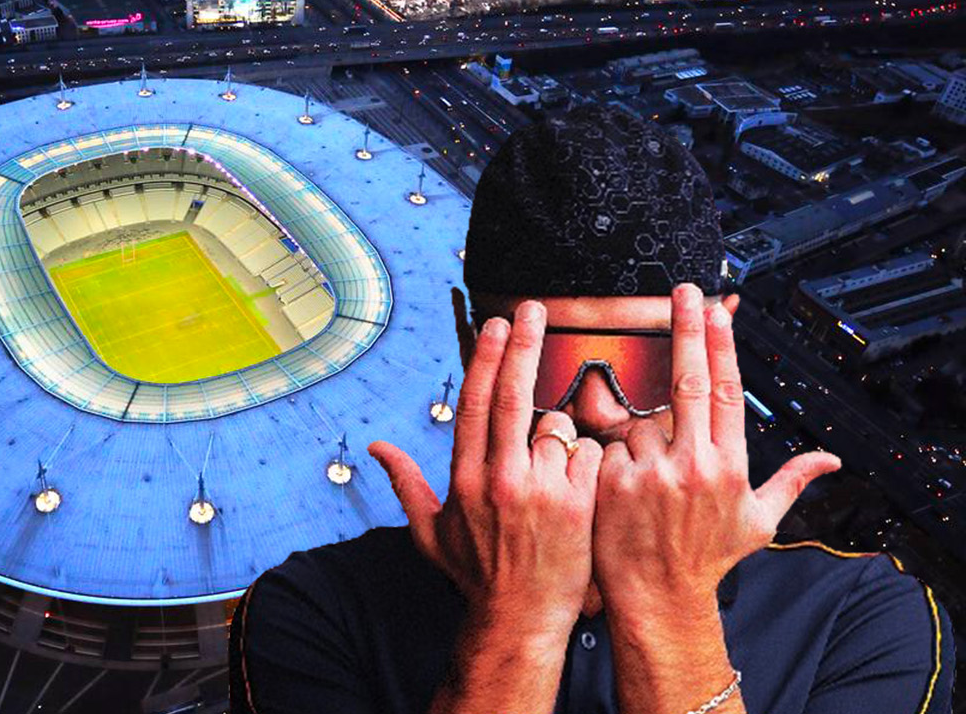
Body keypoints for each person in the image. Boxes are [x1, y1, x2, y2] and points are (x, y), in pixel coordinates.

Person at [228, 106, 952, 714]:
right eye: (548, 359)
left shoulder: (871, 625)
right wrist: (518, 624)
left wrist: (668, 606)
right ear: (467, 340)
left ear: (715, 346)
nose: (600, 408)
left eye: (647, 359)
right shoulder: (308, 615)